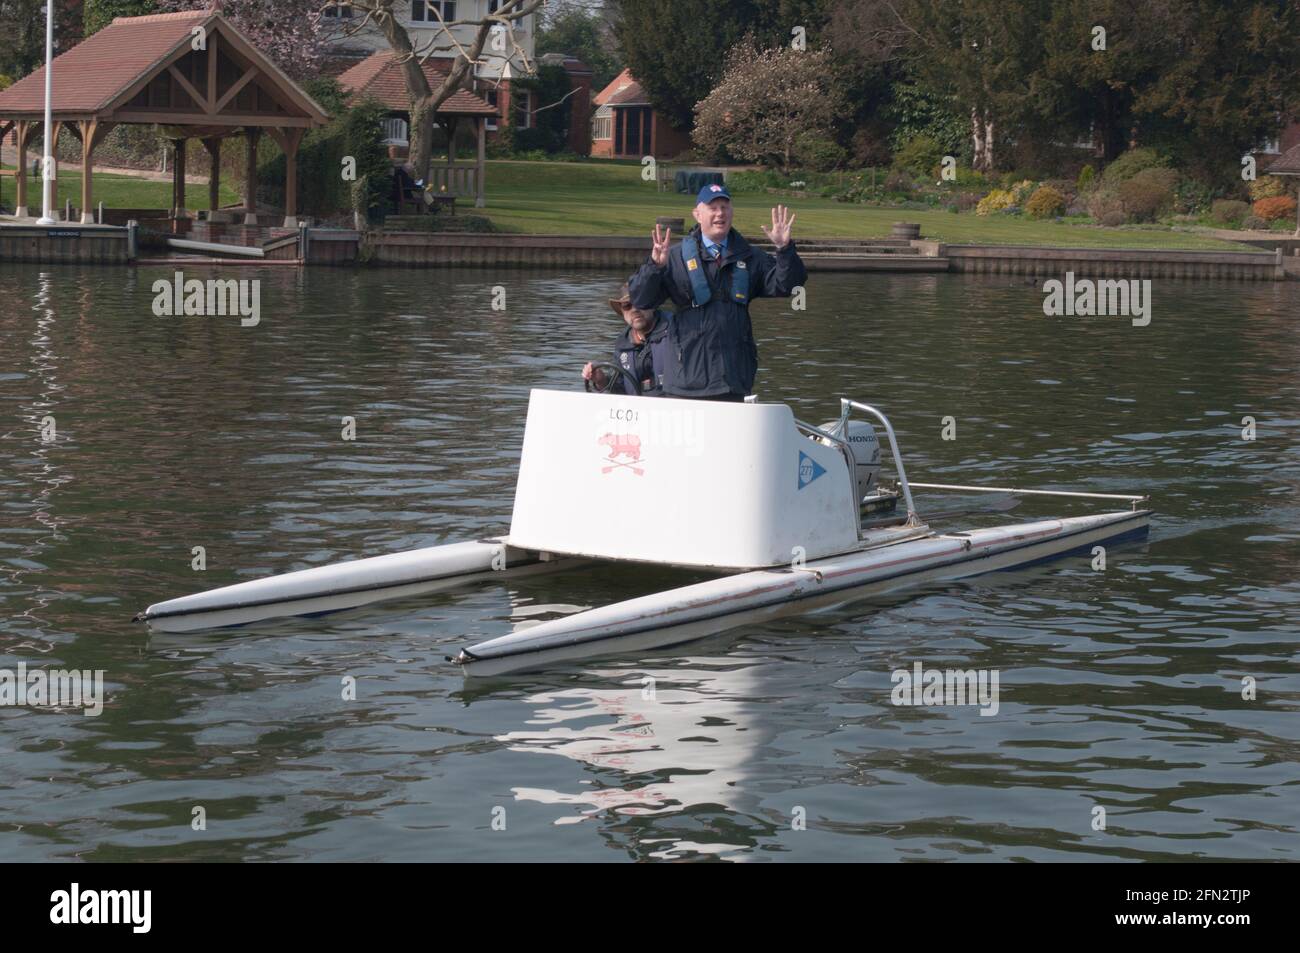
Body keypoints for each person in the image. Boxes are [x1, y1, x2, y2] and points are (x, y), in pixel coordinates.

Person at [627, 184, 807, 401]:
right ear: (697, 214)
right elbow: (641, 299)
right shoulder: (673, 257)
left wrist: (785, 250)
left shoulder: (750, 256)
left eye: (725, 206)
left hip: (734, 379)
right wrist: (654, 267)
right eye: (713, 207)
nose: (720, 213)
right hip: (686, 380)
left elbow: (788, 286)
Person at [582, 284, 671, 396]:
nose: (634, 309)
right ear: (623, 313)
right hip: (636, 410)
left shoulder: (678, 331)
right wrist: (601, 380)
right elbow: (619, 389)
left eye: (640, 302)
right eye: (627, 306)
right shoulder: (622, 344)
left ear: (652, 304)